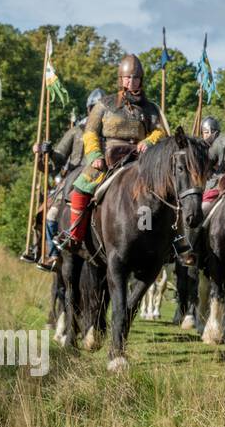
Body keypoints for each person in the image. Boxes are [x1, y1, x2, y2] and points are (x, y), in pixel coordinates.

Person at [56, 56, 164, 250]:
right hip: (108, 158)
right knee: (81, 187)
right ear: (121, 79)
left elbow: (160, 130)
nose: (132, 82)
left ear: (141, 80)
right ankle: (74, 236)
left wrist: (149, 140)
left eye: (136, 78)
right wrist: (95, 156)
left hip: (140, 159)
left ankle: (173, 241)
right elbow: (90, 133)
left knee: (167, 190)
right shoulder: (105, 104)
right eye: (128, 78)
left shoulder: (150, 108)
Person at [23, 87, 106, 268]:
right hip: (75, 179)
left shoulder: (109, 133)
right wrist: (49, 152)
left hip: (103, 175)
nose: (96, 113)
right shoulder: (76, 131)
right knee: (51, 216)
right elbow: (60, 158)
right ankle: (54, 255)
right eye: (94, 108)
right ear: (88, 109)